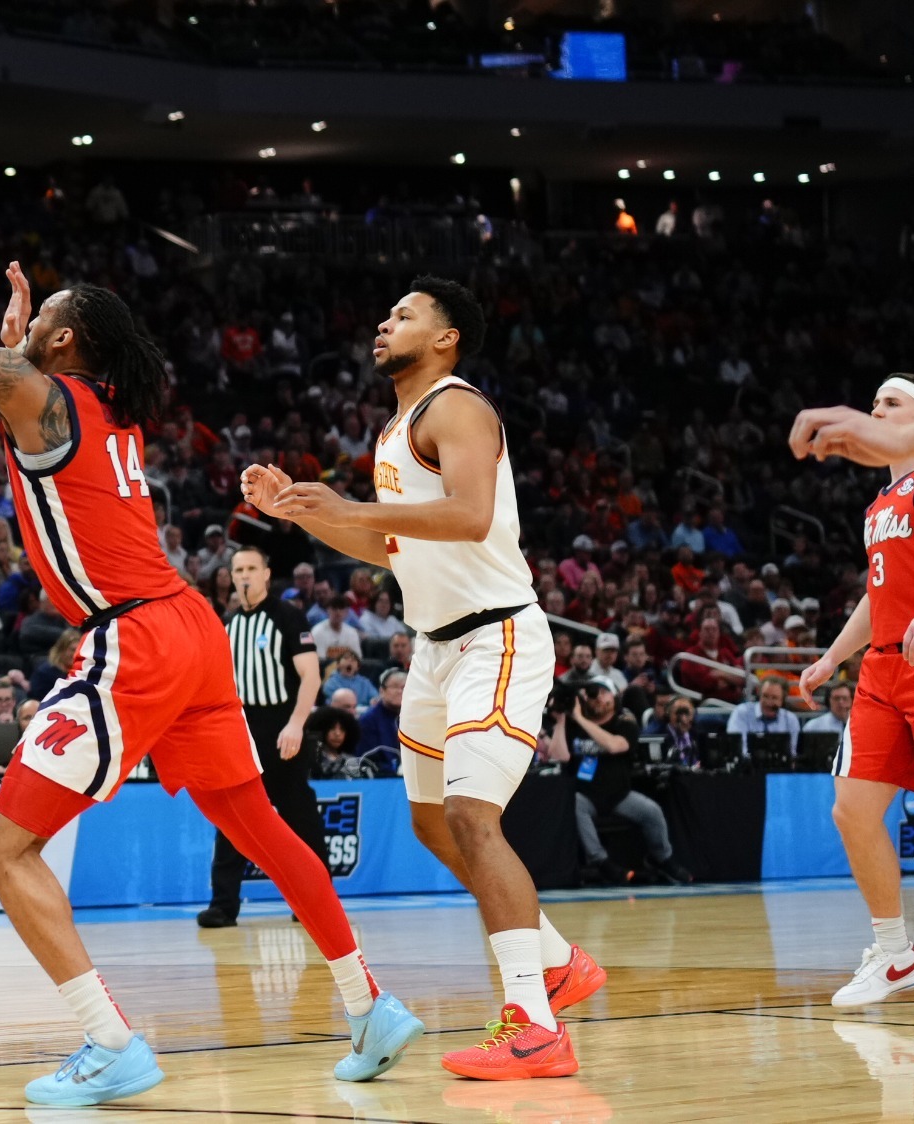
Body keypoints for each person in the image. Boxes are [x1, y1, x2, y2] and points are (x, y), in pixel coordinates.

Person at [0, 129, 420, 1104]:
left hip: (131, 634)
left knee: (2, 845)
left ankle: (109, 1040)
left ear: (58, 343)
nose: (29, 323)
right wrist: (14, 337)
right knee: (253, 821)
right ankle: (366, 999)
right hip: (188, 627)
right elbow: (13, 386)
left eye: (39, 317)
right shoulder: (105, 412)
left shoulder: (39, 393)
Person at [246, 274, 591, 1078]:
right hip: (435, 648)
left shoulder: (457, 407)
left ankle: (536, 1024)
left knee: (474, 819)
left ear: (445, 338)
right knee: (434, 824)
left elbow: (469, 516)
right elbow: (400, 548)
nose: (382, 321)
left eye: (403, 315)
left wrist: (349, 508)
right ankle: (558, 961)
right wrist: (307, 514)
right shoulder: (397, 428)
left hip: (497, 637)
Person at [793, 374, 914, 1019]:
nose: (877, 414)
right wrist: (833, 655)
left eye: (892, 405)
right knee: (851, 811)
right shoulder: (884, 499)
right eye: (874, 404)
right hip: (884, 670)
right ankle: (896, 954)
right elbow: (879, 592)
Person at [201, 545, 327, 929]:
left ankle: (316, 902)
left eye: (252, 568)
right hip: (241, 728)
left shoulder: (288, 616)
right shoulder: (229, 621)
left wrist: (296, 724)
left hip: (282, 725)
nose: (244, 576)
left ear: (267, 574)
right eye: (238, 569)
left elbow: (312, 676)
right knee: (233, 816)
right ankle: (223, 905)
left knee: (298, 816)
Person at [543, 679, 692, 886]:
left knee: (652, 811)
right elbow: (560, 756)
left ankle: (662, 858)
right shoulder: (573, 722)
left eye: (603, 693)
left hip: (619, 794)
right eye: (594, 694)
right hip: (585, 794)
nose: (597, 699)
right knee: (576, 805)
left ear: (614, 697)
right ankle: (601, 862)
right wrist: (561, 722)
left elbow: (615, 746)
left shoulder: (625, 719)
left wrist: (579, 718)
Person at [726, 675, 801, 759]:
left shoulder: (791, 720)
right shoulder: (742, 713)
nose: (769, 702)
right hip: (747, 766)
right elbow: (738, 748)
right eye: (765, 696)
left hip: (778, 768)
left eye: (774, 698)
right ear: (759, 695)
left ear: (782, 701)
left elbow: (791, 753)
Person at [356, 670, 405, 754]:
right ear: (382, 690)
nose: (400, 691)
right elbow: (367, 758)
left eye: (404, 687)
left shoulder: (415, 719)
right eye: (395, 687)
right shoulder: (368, 720)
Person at [309, 595, 364, 661]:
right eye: (334, 608)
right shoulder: (317, 632)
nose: (338, 612)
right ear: (327, 610)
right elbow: (320, 661)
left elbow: (357, 659)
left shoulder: (352, 632)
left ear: (347, 612)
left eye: (341, 608)